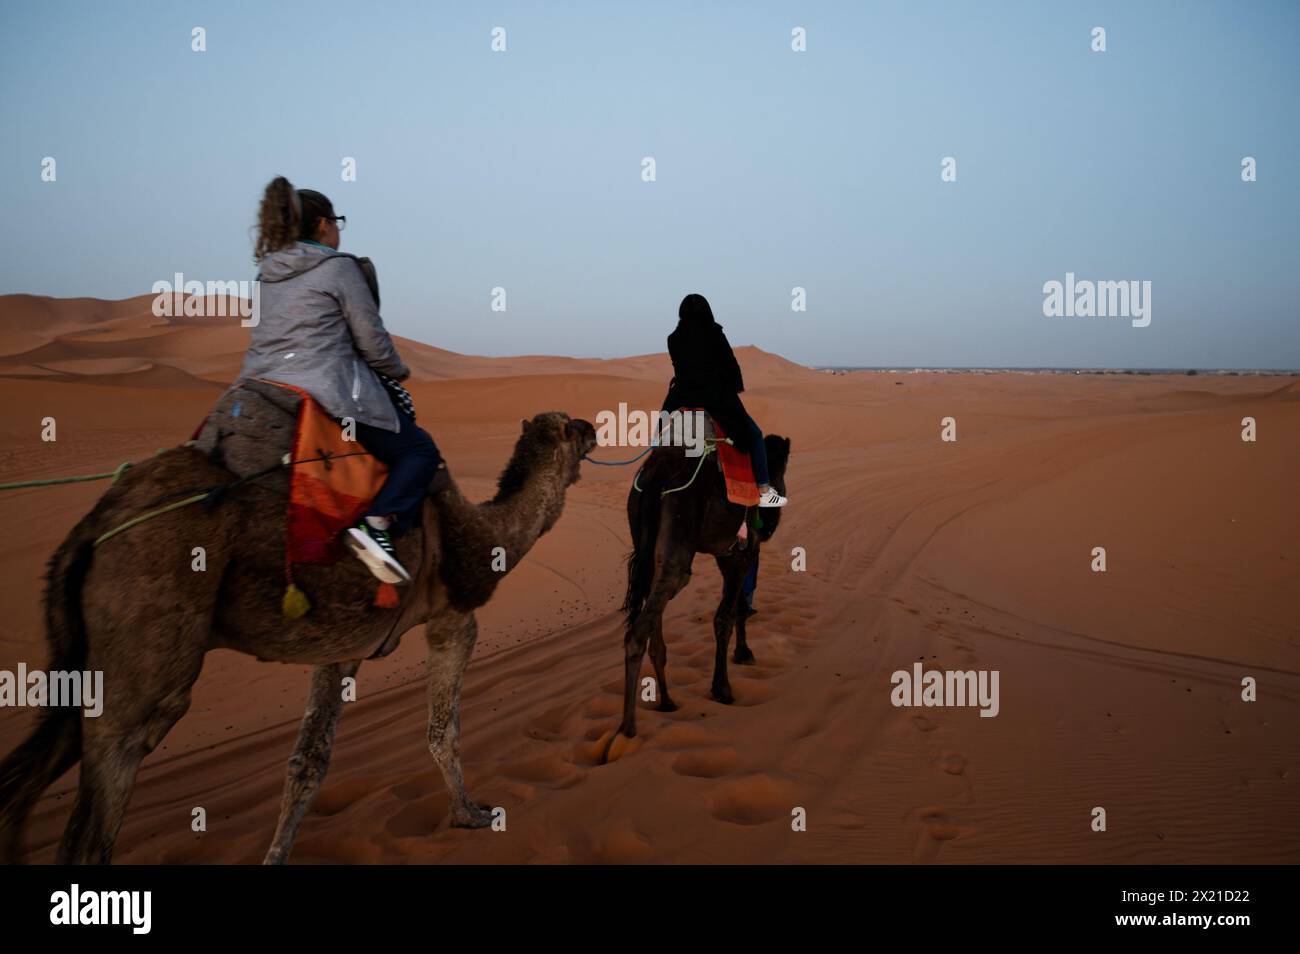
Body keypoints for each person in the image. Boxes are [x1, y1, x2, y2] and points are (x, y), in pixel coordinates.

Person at [240, 175, 444, 584]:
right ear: (322, 225)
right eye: (337, 222)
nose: (338, 230)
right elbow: (372, 341)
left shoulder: (266, 275)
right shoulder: (339, 268)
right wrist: (397, 371)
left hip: (257, 391)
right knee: (419, 451)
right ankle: (376, 525)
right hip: (324, 392)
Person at [660, 294, 787, 507]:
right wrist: (735, 385)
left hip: (681, 396)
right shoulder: (714, 333)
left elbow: (683, 369)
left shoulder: (673, 338)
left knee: (660, 433)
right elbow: (730, 364)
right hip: (715, 398)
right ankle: (764, 490)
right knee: (754, 435)